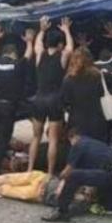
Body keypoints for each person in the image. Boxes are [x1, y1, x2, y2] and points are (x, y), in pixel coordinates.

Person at [42, 128, 112, 222]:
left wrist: (56, 182)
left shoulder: (77, 145)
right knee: (108, 204)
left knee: (73, 176)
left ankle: (61, 211)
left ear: (66, 138)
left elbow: (67, 173)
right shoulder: (90, 142)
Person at [0, 25, 35, 174]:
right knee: (3, 138)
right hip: (8, 107)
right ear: (13, 53)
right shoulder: (16, 65)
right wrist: (29, 41)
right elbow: (28, 56)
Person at [29, 16, 74, 175]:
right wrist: (67, 30)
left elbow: (37, 43)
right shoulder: (62, 56)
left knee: (36, 137)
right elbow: (70, 47)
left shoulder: (40, 55)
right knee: (53, 140)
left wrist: (41, 30)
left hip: (39, 99)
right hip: (55, 100)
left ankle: (29, 169)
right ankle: (49, 172)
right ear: (60, 44)